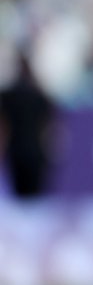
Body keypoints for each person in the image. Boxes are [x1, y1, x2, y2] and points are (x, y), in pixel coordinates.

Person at [0, 53, 57, 201]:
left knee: (20, 199)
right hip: (35, 151)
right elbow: (49, 126)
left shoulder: (8, 95)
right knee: (34, 200)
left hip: (16, 150)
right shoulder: (39, 95)